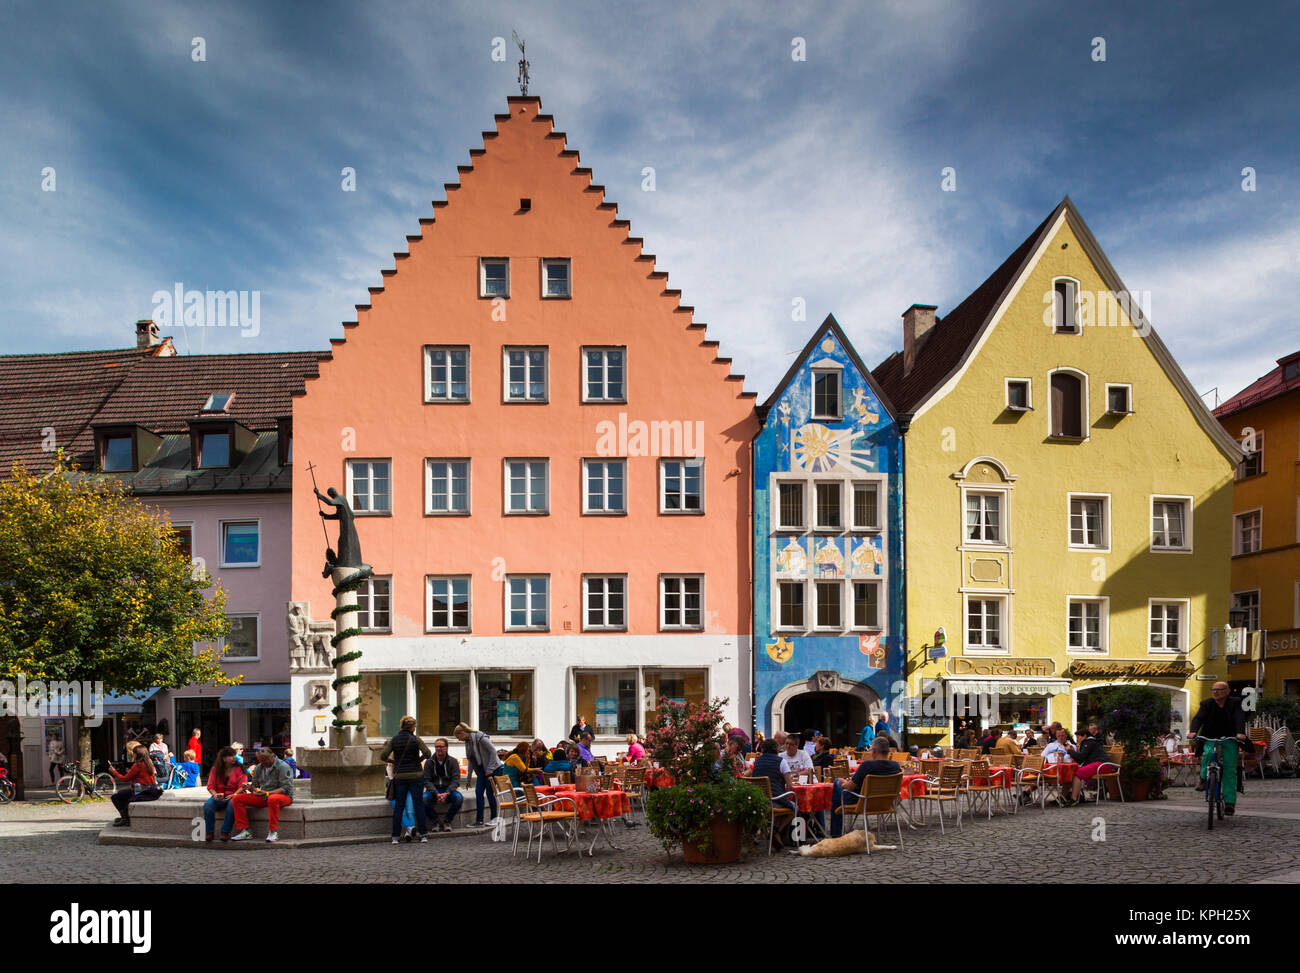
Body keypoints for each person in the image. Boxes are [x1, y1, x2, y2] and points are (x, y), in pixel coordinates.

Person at [1189, 681, 1248, 815]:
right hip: (1210, 737)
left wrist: (1240, 733)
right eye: (1213, 689)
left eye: (1219, 689)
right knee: (1208, 754)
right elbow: (1198, 718)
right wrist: (1193, 731)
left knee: (1229, 769)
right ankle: (1203, 779)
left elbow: (1240, 718)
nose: (1215, 692)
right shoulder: (1207, 704)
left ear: (1227, 691)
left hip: (1230, 738)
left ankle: (1229, 803)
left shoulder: (1235, 702)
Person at [829, 736, 901, 838]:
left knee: (837, 782)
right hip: (885, 804)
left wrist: (843, 783)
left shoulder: (867, 765)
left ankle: (836, 834)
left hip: (862, 802)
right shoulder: (896, 766)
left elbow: (850, 787)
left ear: (874, 751)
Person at [379, 716, 431, 844]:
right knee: (418, 805)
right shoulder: (415, 739)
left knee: (399, 807)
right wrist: (418, 760)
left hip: (400, 776)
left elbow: (383, 756)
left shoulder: (394, 740)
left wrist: (394, 762)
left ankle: (395, 837)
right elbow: (428, 753)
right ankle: (423, 835)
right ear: (413, 727)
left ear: (401, 726)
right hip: (416, 775)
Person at [228, 747, 296, 842]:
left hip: (284, 796)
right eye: (260, 760)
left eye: (264, 760)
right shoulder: (259, 767)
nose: (262, 763)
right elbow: (255, 786)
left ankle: (273, 832)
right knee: (237, 798)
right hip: (265, 796)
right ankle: (245, 831)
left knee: (272, 799)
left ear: (272, 757)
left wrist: (268, 793)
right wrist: (250, 788)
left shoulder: (283, 766)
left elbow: (285, 788)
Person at [455, 722, 504, 827]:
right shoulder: (468, 742)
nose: (458, 739)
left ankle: (495, 818)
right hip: (482, 770)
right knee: (478, 792)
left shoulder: (480, 738)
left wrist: (490, 769)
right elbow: (471, 760)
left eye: (458, 737)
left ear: (463, 733)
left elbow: (493, 752)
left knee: (490, 793)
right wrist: (468, 779)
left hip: (493, 768)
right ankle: (479, 820)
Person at [750, 739, 795, 849]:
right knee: (794, 807)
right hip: (774, 800)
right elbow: (790, 786)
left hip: (759, 801)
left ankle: (770, 830)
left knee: (780, 806)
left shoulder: (757, 762)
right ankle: (777, 831)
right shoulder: (781, 761)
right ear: (777, 749)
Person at [108, 745, 162, 827]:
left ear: (138, 754)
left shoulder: (138, 765)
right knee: (122, 793)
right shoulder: (149, 763)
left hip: (141, 791)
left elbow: (125, 779)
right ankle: (126, 817)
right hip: (152, 790)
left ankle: (125, 819)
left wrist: (114, 772)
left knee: (115, 797)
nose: (132, 755)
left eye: (134, 753)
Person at [206, 747, 247, 842]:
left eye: (234, 755)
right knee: (208, 805)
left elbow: (243, 786)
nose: (233, 757)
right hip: (220, 795)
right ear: (223, 758)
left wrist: (234, 794)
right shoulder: (215, 769)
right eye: (230, 756)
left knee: (232, 804)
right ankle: (209, 832)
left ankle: (225, 832)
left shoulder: (239, 768)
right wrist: (215, 794)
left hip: (235, 795)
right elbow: (210, 786)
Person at [1060, 727, 1109, 806]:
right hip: (1099, 764)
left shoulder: (1088, 742)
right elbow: (1081, 760)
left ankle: (1073, 799)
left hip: (1101, 764)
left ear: (1084, 736)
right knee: (1072, 772)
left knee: (1077, 773)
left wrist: (1070, 751)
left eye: (1078, 737)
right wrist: (1072, 752)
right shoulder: (1088, 742)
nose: (1077, 739)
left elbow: (1082, 757)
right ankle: (1066, 797)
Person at [423, 737, 463, 832]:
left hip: (448, 790)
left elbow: (456, 780)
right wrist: (436, 793)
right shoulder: (429, 762)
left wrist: (447, 793)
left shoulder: (453, 761)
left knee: (458, 798)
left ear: (446, 748)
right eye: (437, 747)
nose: (438, 749)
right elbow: (427, 780)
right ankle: (435, 822)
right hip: (433, 790)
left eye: (441, 746)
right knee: (423, 799)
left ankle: (447, 821)